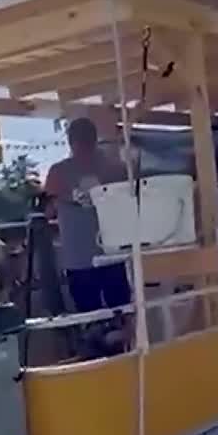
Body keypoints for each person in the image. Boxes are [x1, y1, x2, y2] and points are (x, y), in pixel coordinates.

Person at [43, 117, 132, 314]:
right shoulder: (117, 169)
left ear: (69, 140)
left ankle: (99, 342)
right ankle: (126, 343)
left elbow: (47, 212)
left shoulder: (58, 172)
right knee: (122, 312)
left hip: (78, 258)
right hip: (113, 253)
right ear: (95, 138)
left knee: (89, 317)